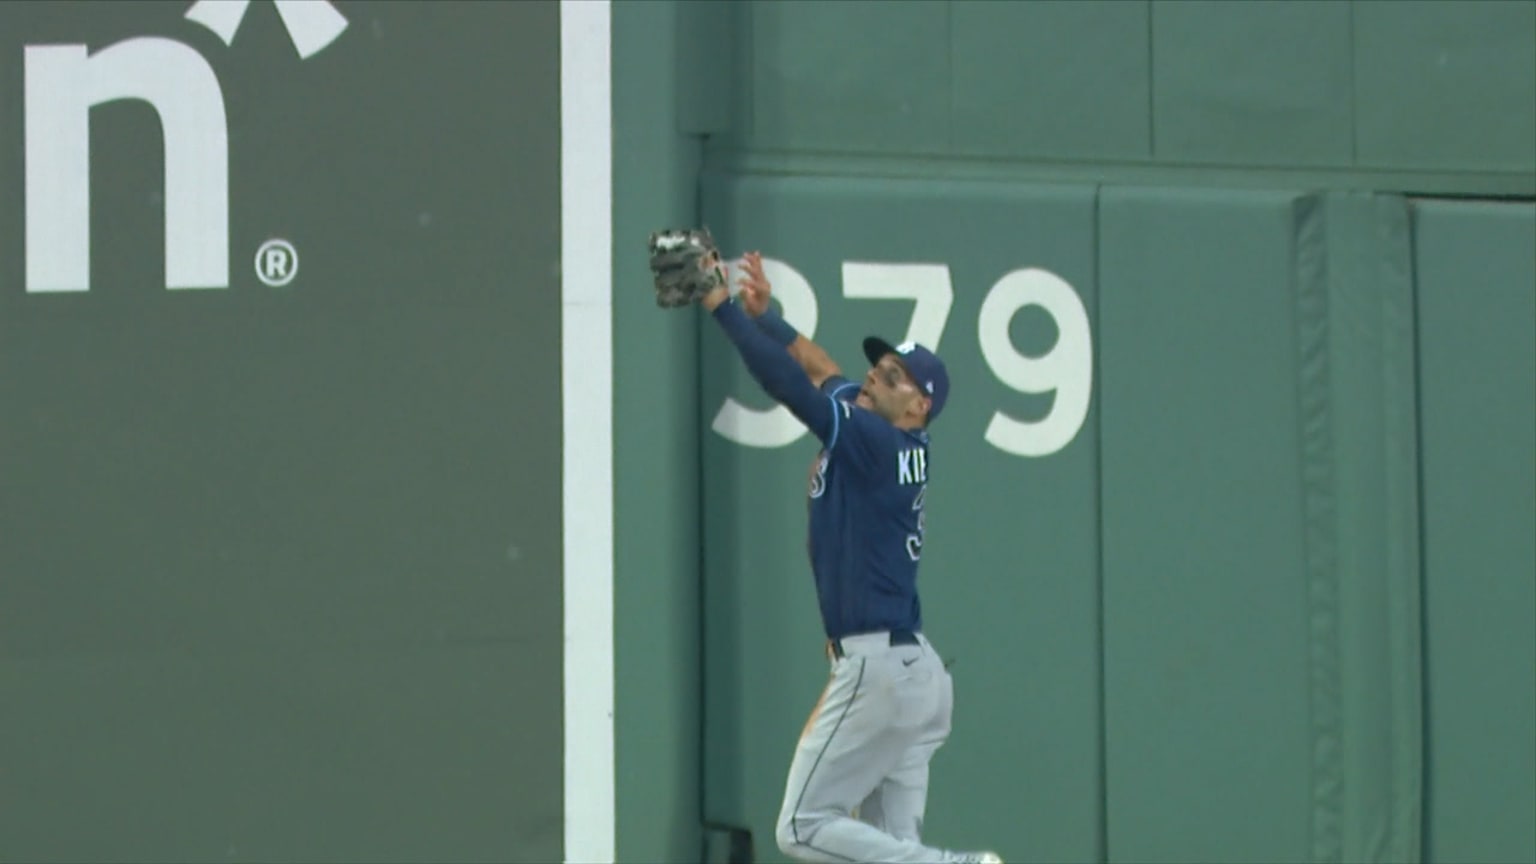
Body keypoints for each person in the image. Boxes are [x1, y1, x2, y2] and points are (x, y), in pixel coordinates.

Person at [698, 251, 1002, 864]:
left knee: (803, 825)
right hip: (915, 671)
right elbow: (822, 368)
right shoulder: (879, 425)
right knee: (889, 852)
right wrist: (770, 320)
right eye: (880, 367)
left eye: (894, 378)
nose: (873, 378)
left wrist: (722, 308)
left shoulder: (873, 440)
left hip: (879, 669)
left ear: (918, 408)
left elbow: (785, 384)